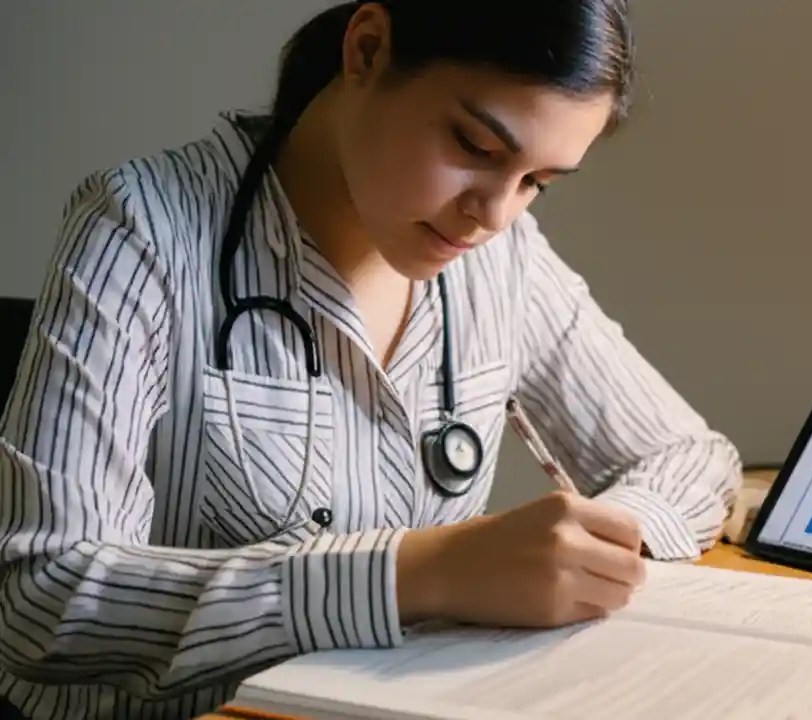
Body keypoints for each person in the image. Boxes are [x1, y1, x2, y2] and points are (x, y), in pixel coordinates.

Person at [0, 2, 742, 718]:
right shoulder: (142, 226)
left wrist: (594, 546)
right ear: (366, 51)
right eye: (477, 149)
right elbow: (43, 595)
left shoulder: (502, 258)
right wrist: (420, 572)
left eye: (537, 183)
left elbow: (689, 455)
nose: (495, 214)